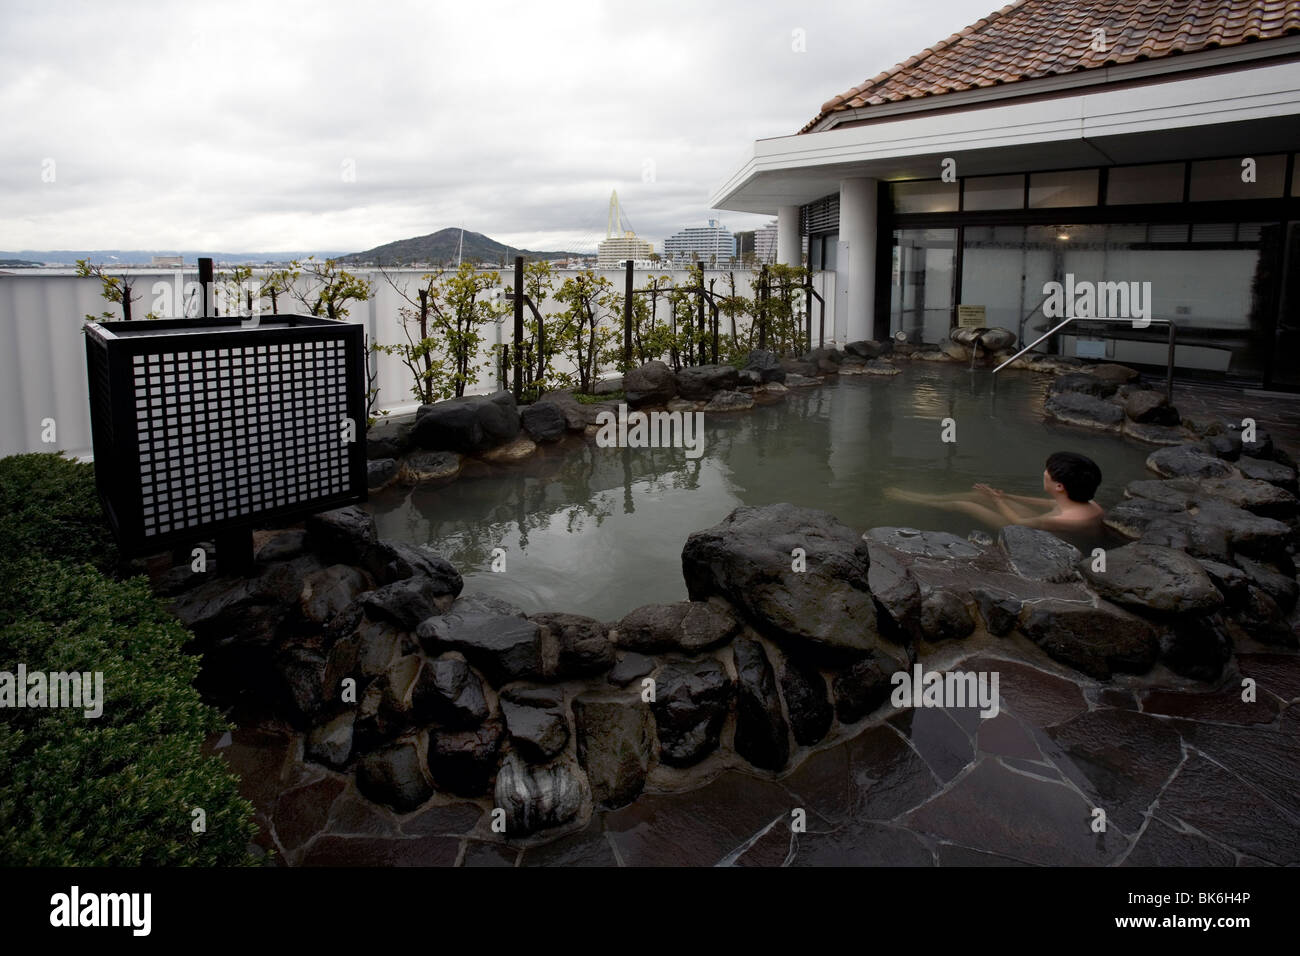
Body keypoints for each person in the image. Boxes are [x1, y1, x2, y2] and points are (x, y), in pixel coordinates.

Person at [885, 451, 1105, 535]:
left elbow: (1017, 522)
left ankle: (912, 501)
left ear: (1060, 487)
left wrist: (997, 502)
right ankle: (923, 496)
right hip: (1036, 522)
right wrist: (1006, 497)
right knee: (978, 496)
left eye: (1048, 473)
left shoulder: (1069, 520)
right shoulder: (1084, 501)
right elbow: (1047, 504)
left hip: (1025, 531)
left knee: (967, 505)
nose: (1044, 473)